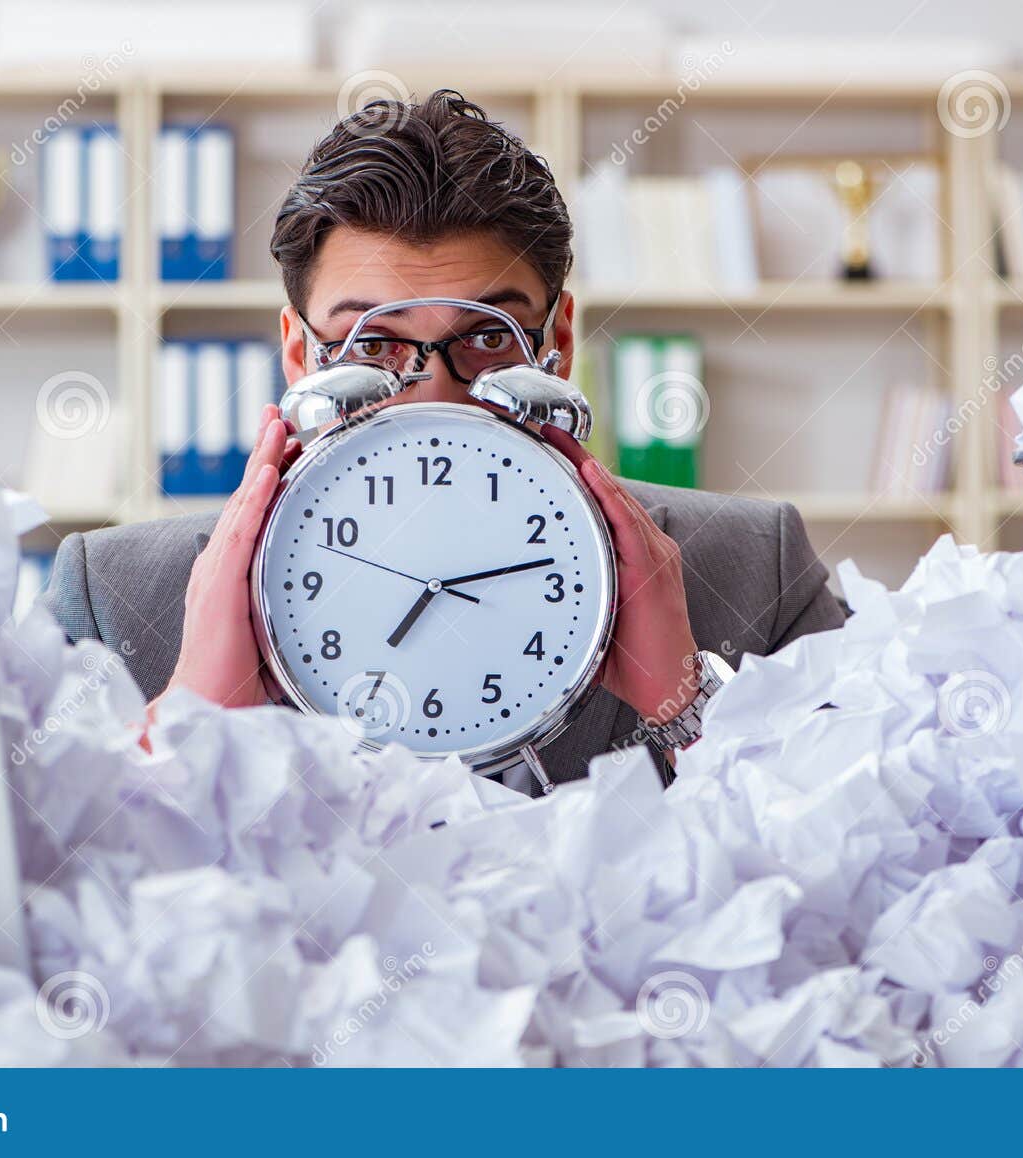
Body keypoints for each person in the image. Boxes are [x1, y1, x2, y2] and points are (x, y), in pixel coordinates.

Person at [44, 89, 844, 793]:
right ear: (298, 355)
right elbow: (30, 884)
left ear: (559, 342)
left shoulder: (757, 571)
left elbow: (870, 866)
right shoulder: (113, 598)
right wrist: (191, 720)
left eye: (489, 337)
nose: (432, 393)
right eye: (373, 342)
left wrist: (687, 705)